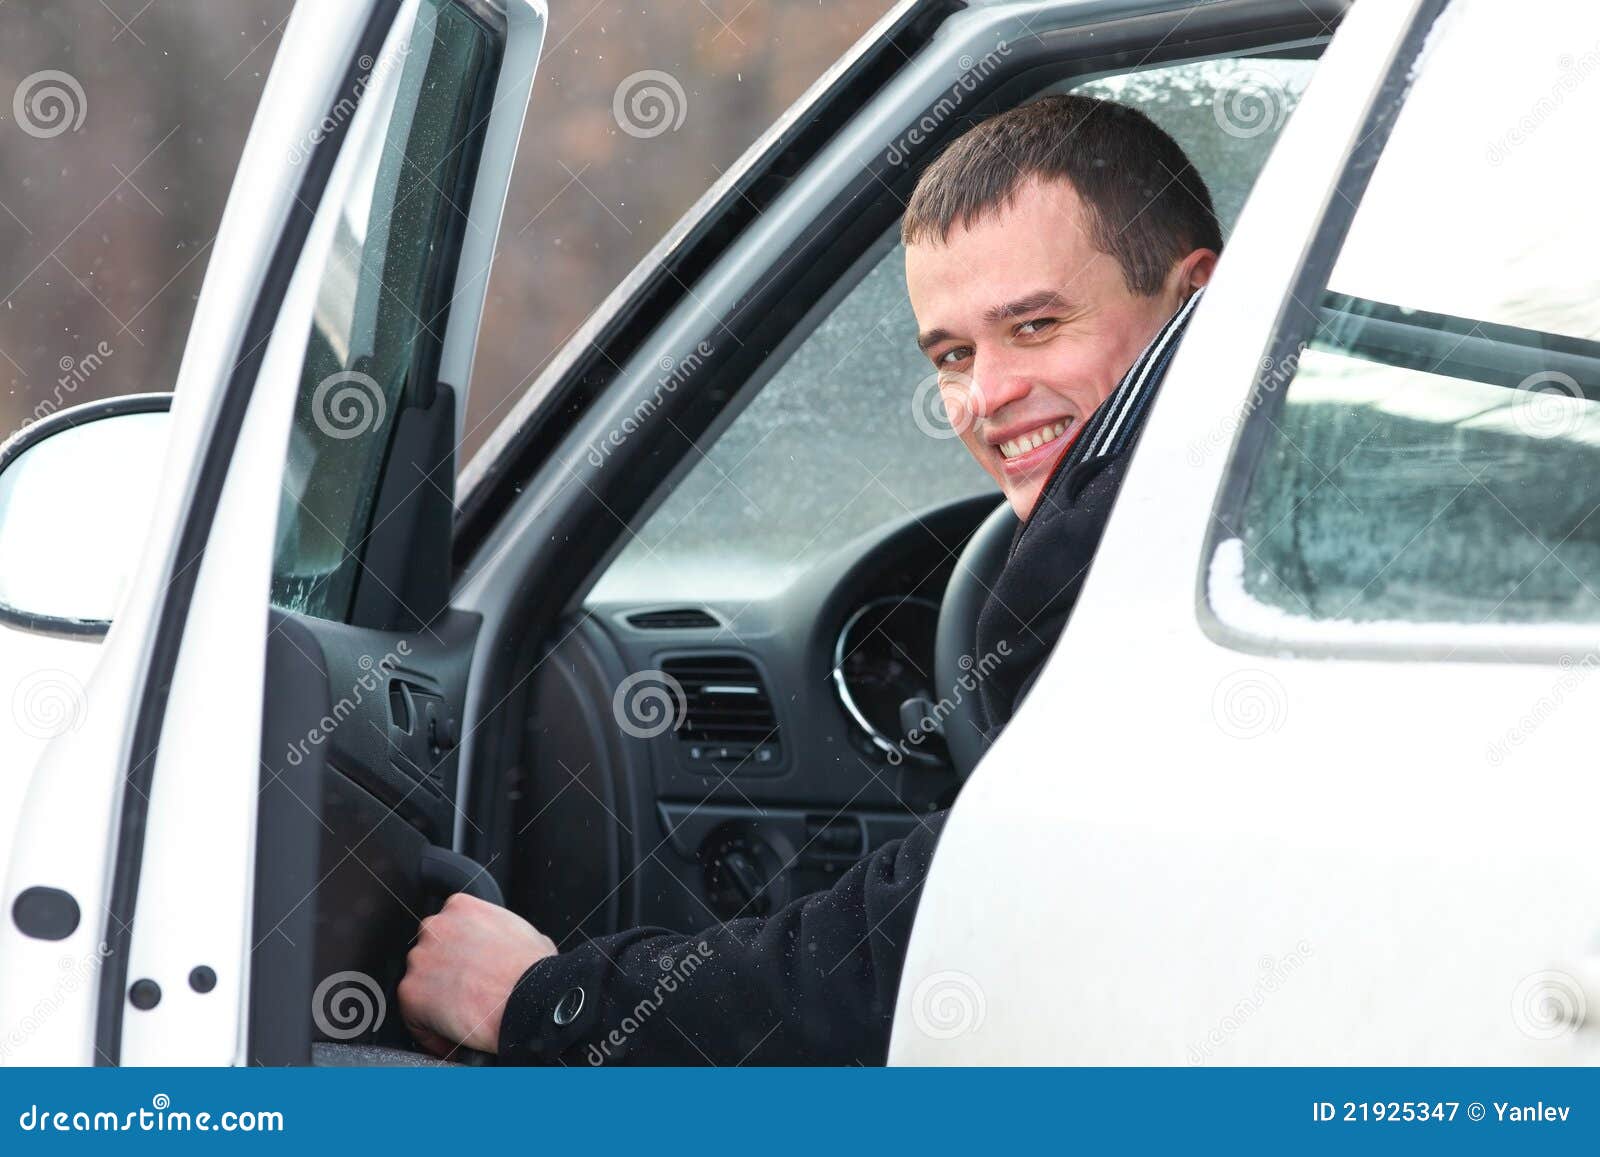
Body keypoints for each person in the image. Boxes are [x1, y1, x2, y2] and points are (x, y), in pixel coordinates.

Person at [397, 93, 1220, 1065]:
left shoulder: (1147, 585)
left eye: (1035, 326)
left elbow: (920, 957)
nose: (987, 396)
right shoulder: (1222, 534)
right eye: (953, 353)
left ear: (1192, 298)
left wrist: (546, 999)